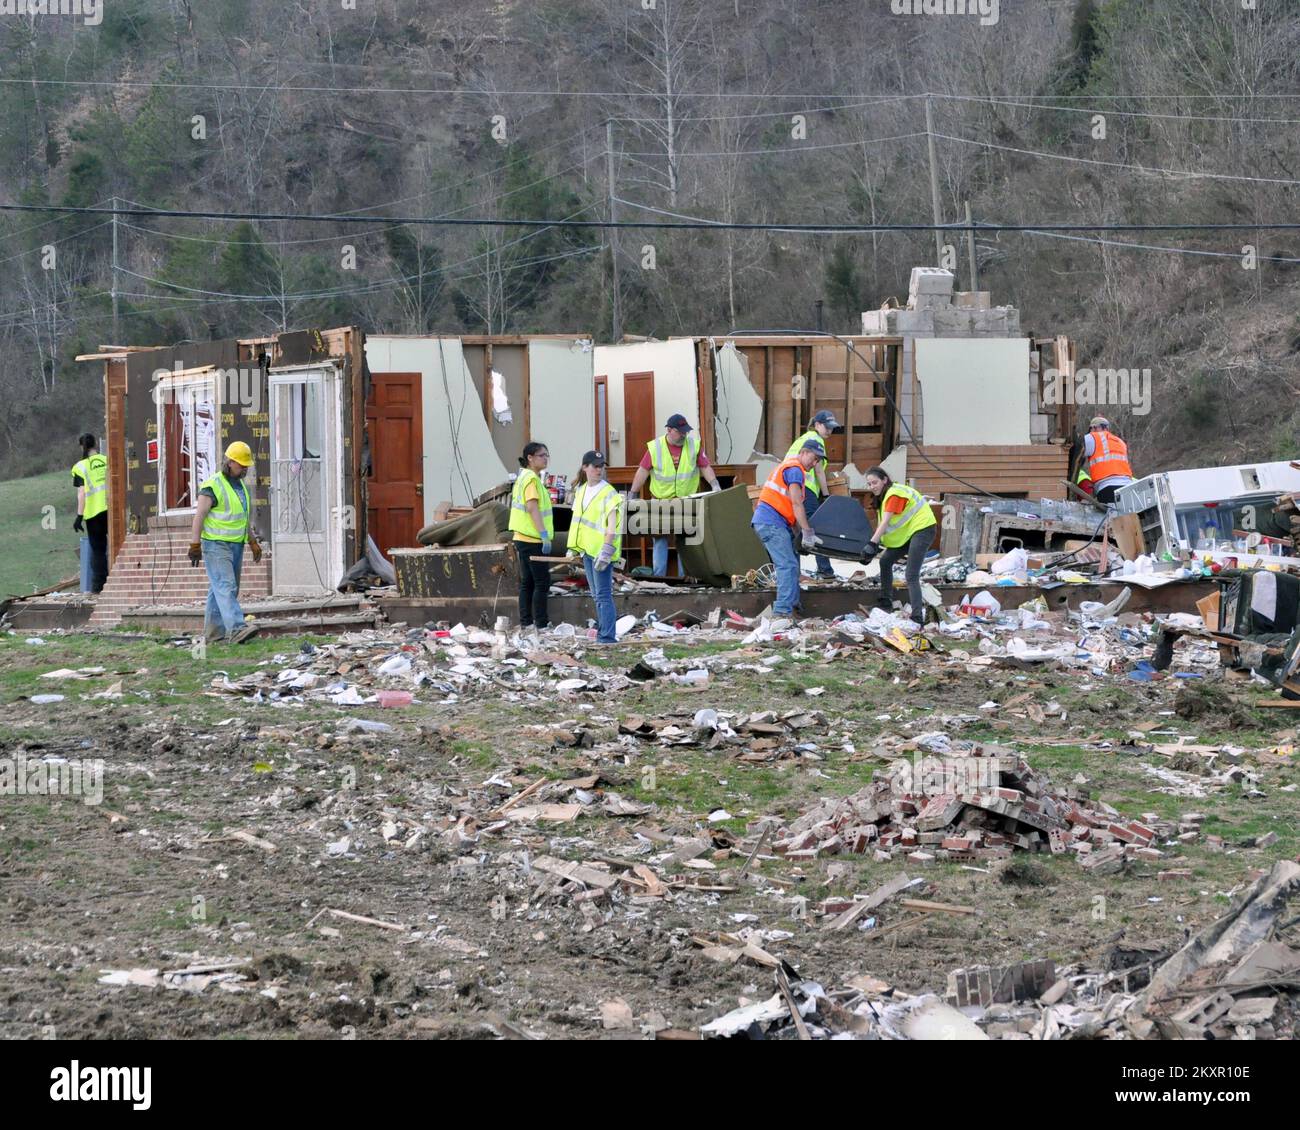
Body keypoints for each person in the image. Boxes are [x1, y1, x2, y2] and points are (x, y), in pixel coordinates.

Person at [627, 413, 722, 576]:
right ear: (669, 430)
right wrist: (633, 494)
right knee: (660, 540)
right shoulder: (656, 447)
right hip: (661, 501)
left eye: (686, 431)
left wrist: (715, 484)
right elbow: (643, 470)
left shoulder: (694, 445)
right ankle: (659, 579)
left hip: (686, 502)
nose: (684, 435)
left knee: (685, 541)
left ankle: (684, 579)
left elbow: (705, 466)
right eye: (680, 432)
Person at [187, 441, 262, 643]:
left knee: (220, 588)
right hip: (216, 545)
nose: (244, 468)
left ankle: (214, 633)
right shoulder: (213, 485)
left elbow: (242, 517)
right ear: (230, 462)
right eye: (241, 464)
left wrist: (252, 541)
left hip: (235, 544)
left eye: (246, 465)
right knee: (225, 585)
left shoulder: (241, 488)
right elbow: (199, 516)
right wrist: (194, 544)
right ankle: (237, 628)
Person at [751, 438, 824, 618]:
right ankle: (782, 612)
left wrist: (799, 534)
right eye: (813, 458)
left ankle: (792, 606)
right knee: (787, 565)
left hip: (771, 522)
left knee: (791, 565)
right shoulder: (795, 470)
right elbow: (796, 504)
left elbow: (789, 508)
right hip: (771, 523)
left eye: (817, 462)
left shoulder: (790, 468)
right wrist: (807, 532)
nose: (814, 464)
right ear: (804, 452)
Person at [862, 466, 937, 625]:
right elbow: (891, 526)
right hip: (910, 532)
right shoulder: (886, 495)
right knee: (885, 561)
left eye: (874, 482)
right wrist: (875, 544)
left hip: (923, 529)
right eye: (869, 484)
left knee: (911, 574)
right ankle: (885, 601)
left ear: (884, 480)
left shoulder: (894, 494)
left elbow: (885, 523)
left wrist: (872, 543)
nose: (872, 487)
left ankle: (917, 617)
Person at [568, 450, 623, 644]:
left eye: (601, 466)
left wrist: (607, 550)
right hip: (587, 551)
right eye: (595, 466)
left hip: (601, 552)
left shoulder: (608, 492)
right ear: (585, 467)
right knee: (596, 596)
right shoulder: (581, 490)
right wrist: (574, 548)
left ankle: (607, 637)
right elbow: (578, 522)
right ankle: (604, 634)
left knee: (603, 596)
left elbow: (612, 525)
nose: (599, 470)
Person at [786, 410, 840, 579]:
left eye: (832, 428)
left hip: (793, 486)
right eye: (827, 427)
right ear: (817, 425)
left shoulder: (803, 439)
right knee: (816, 528)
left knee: (798, 529)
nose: (829, 431)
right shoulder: (816, 440)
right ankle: (825, 571)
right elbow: (818, 472)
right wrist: (825, 495)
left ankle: (796, 571)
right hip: (805, 488)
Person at [510, 441, 554, 631]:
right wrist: (543, 534)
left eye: (546, 455)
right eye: (541, 455)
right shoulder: (531, 479)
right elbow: (532, 507)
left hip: (522, 537)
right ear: (530, 458)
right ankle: (541, 624)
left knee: (527, 582)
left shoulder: (525, 477)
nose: (545, 459)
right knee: (541, 582)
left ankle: (526, 622)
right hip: (532, 538)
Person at [71, 432, 109, 593]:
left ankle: (100, 586)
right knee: (118, 545)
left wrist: (79, 516)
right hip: (111, 509)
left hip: (93, 513)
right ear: (96, 445)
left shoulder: (79, 467)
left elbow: (81, 493)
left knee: (98, 550)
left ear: (82, 447)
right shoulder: (107, 460)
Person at [1081, 416, 1134, 505]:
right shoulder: (1120, 441)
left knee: (1110, 518)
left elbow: (1076, 452)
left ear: (1094, 427)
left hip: (1106, 487)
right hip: (1127, 486)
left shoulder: (1092, 437)